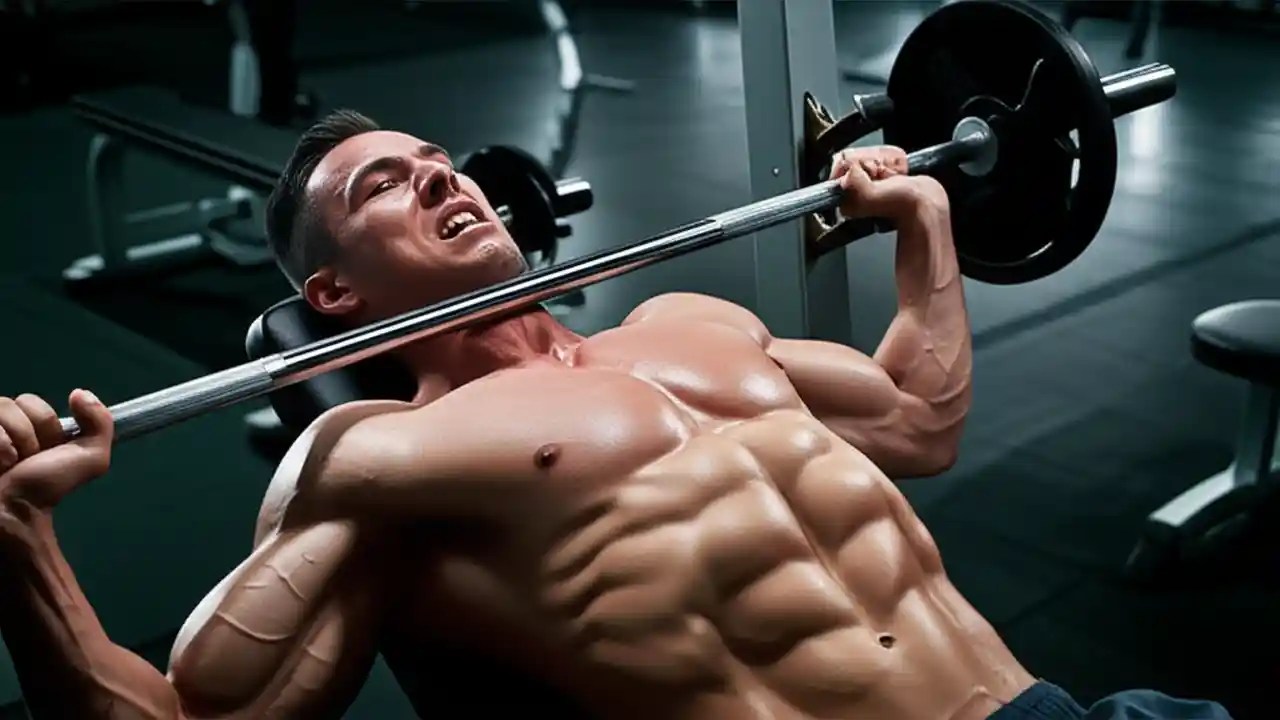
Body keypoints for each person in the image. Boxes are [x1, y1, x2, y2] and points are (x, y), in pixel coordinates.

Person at [0, 111, 1232, 720]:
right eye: (387, 185)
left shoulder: (695, 326)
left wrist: (924, 220)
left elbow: (918, 420)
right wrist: (20, 542)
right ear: (332, 292)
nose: (441, 176)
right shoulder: (378, 455)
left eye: (440, 161)